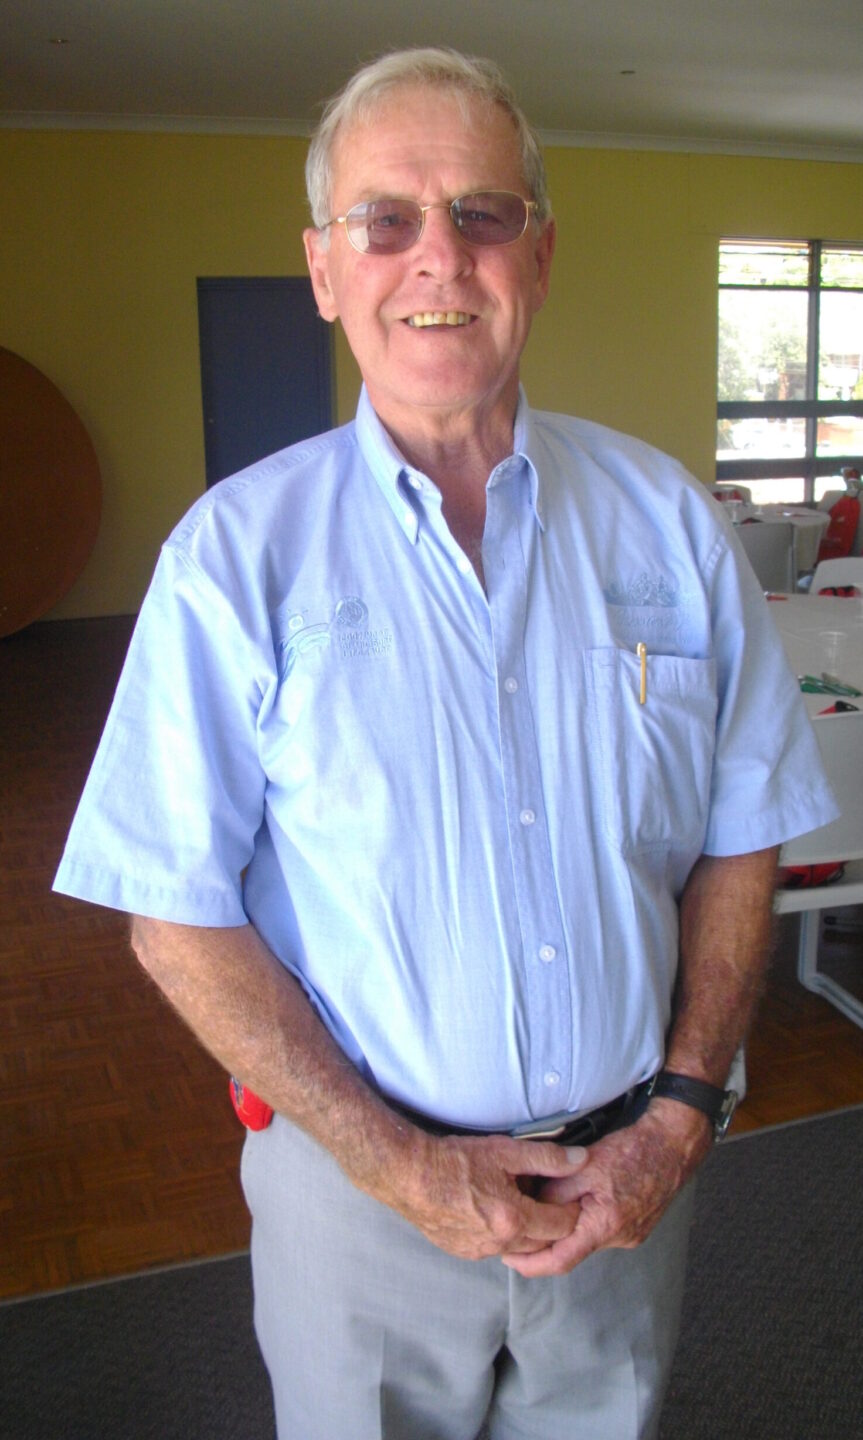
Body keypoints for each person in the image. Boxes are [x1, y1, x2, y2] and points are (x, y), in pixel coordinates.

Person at [54, 47, 838, 1440]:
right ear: (322, 267)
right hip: (360, 1209)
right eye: (386, 219)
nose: (439, 256)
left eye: (483, 213)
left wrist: (678, 1115)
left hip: (629, 1187)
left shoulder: (671, 525)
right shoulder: (234, 560)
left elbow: (740, 837)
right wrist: (398, 1165)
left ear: (539, 253)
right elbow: (171, 917)